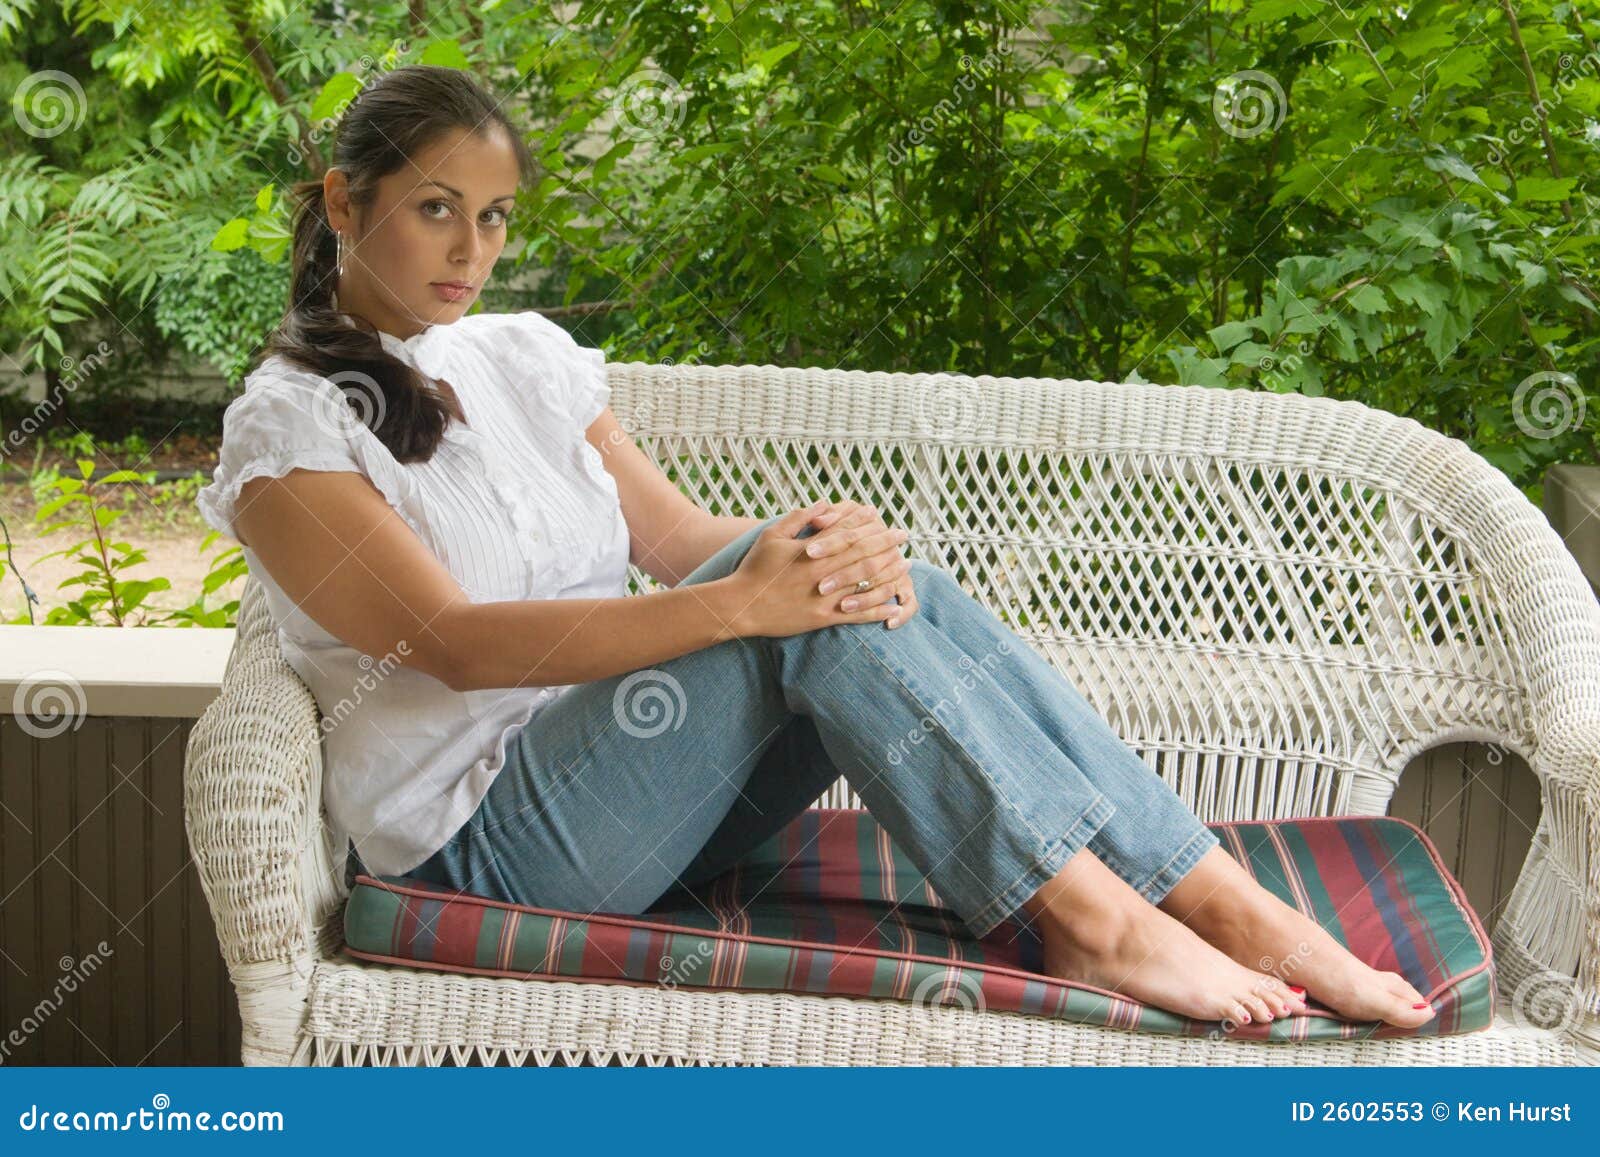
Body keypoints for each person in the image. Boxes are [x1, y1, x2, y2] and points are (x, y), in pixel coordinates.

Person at [195, 64, 1435, 1030]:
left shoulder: (520, 357)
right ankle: (1099, 921)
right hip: (482, 853)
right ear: (344, 204)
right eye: (435, 211)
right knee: (801, 618)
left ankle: (1215, 896)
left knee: (874, 583)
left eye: (497, 216)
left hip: (633, 786)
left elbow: (676, 535)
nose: (473, 249)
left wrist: (809, 544)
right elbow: (455, 648)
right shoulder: (289, 427)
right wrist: (748, 605)